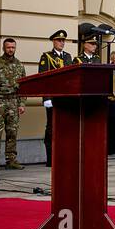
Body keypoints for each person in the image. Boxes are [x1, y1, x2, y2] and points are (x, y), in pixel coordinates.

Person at [0, 37, 26, 169]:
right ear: (4, 48)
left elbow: (23, 87)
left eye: (13, 47)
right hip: (0, 101)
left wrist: (22, 103)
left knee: (12, 132)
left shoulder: (19, 65)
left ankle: (11, 160)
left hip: (14, 102)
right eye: (8, 47)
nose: (11, 50)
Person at [38, 29, 73, 165]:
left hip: (65, 97)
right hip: (52, 98)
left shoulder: (68, 57)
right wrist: (46, 98)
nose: (61, 43)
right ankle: (50, 158)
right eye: (59, 40)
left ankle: (62, 155)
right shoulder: (46, 57)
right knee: (51, 127)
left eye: (63, 41)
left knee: (65, 126)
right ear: (53, 41)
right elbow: (44, 78)